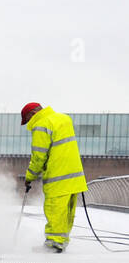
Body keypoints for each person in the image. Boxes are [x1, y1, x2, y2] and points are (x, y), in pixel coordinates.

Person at [21, 101, 87, 253]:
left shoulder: (41, 125)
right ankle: (61, 242)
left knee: (54, 210)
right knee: (67, 212)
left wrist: (29, 176)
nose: (29, 124)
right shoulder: (64, 119)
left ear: (32, 114)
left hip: (58, 177)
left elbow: (38, 156)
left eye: (28, 120)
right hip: (75, 176)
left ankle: (53, 244)